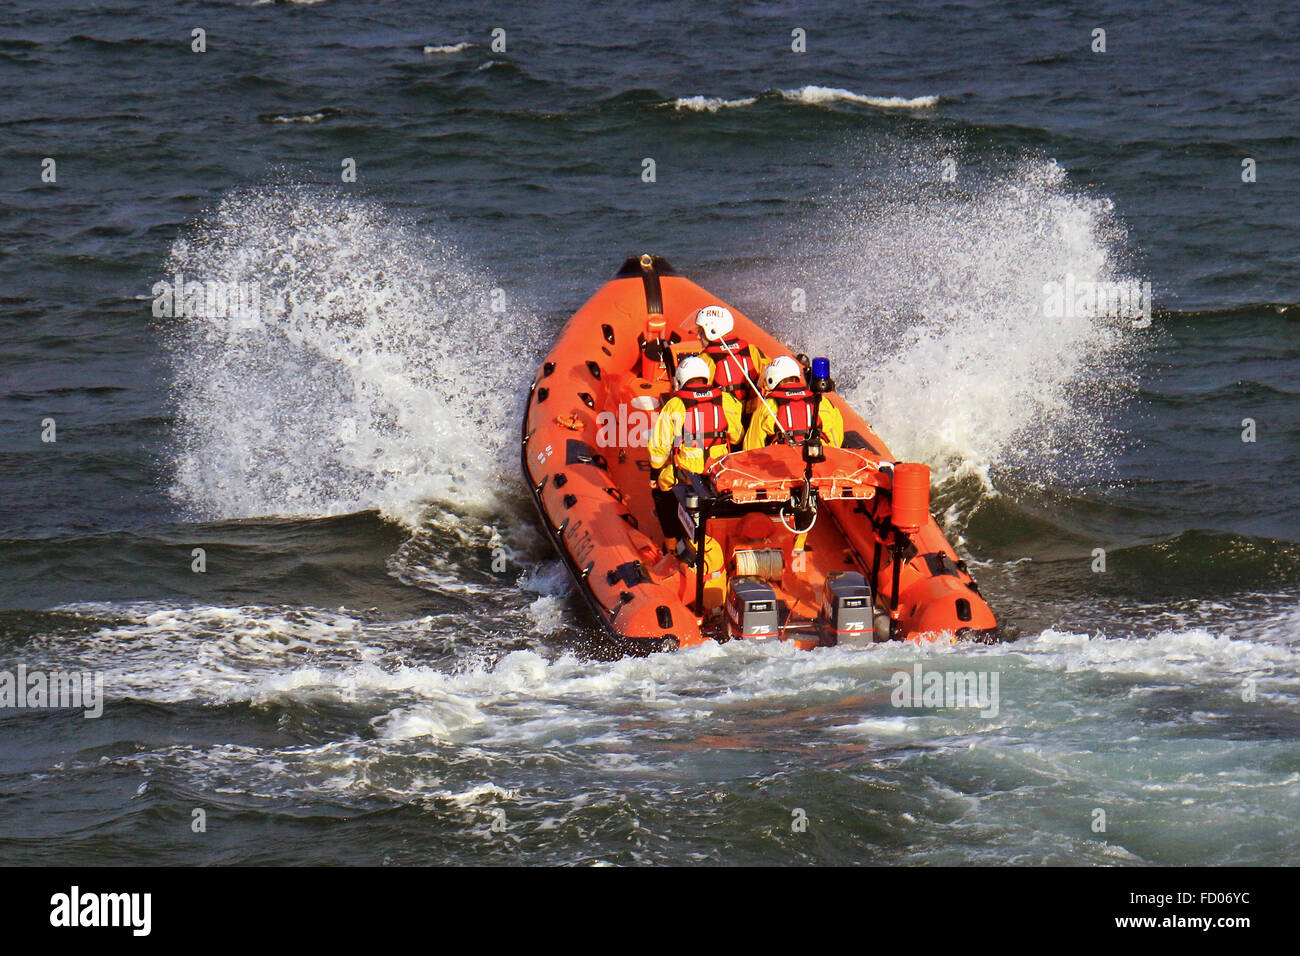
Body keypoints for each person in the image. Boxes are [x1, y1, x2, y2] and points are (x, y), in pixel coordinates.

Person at [648, 355, 743, 543]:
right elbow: (737, 436)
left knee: (660, 488)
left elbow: (658, 450)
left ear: (681, 380)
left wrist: (654, 474)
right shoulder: (727, 400)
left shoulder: (675, 405)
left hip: (687, 474)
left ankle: (671, 542)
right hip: (719, 472)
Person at [743, 355, 845, 451]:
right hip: (817, 461)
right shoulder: (821, 401)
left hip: (782, 465)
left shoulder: (767, 407)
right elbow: (837, 439)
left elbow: (751, 448)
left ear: (771, 379)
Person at [692, 305, 768, 413]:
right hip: (752, 418)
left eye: (701, 332)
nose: (698, 337)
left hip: (726, 424)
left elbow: (693, 396)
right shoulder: (752, 351)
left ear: (712, 331)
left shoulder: (705, 360)